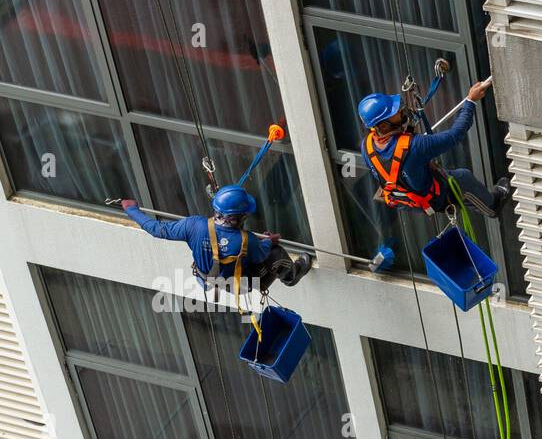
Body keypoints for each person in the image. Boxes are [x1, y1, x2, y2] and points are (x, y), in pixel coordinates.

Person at [120, 185, 312, 294]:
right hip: (241, 284)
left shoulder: (194, 225)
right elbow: (261, 254)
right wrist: (270, 241)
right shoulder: (248, 241)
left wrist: (131, 209)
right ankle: (291, 276)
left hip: (207, 280)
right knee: (276, 254)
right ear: (240, 216)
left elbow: (156, 229)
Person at [357, 81, 508, 217]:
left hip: (404, 196)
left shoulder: (367, 145)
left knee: (444, 176)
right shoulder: (415, 146)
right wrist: (470, 101)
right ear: (383, 125)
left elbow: (390, 161)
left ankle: (468, 198)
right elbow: (454, 135)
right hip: (431, 197)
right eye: (395, 112)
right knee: (463, 177)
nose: (400, 110)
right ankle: (492, 206)